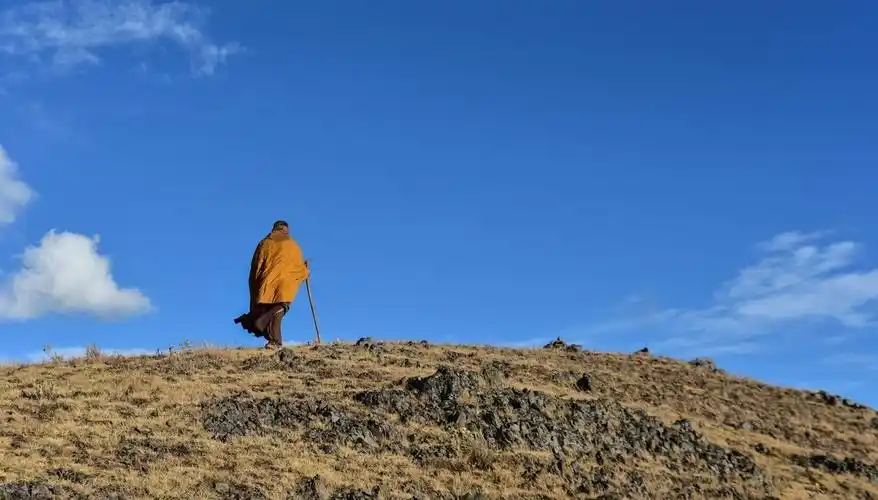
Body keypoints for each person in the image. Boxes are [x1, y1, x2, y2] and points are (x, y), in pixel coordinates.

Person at [234, 220, 310, 348]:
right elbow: (299, 270)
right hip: (285, 285)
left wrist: (256, 285)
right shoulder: (293, 246)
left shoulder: (264, 243)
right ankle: (272, 339)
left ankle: (271, 338)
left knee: (273, 310)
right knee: (279, 309)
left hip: (267, 284)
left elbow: (255, 267)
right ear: (286, 230)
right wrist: (306, 270)